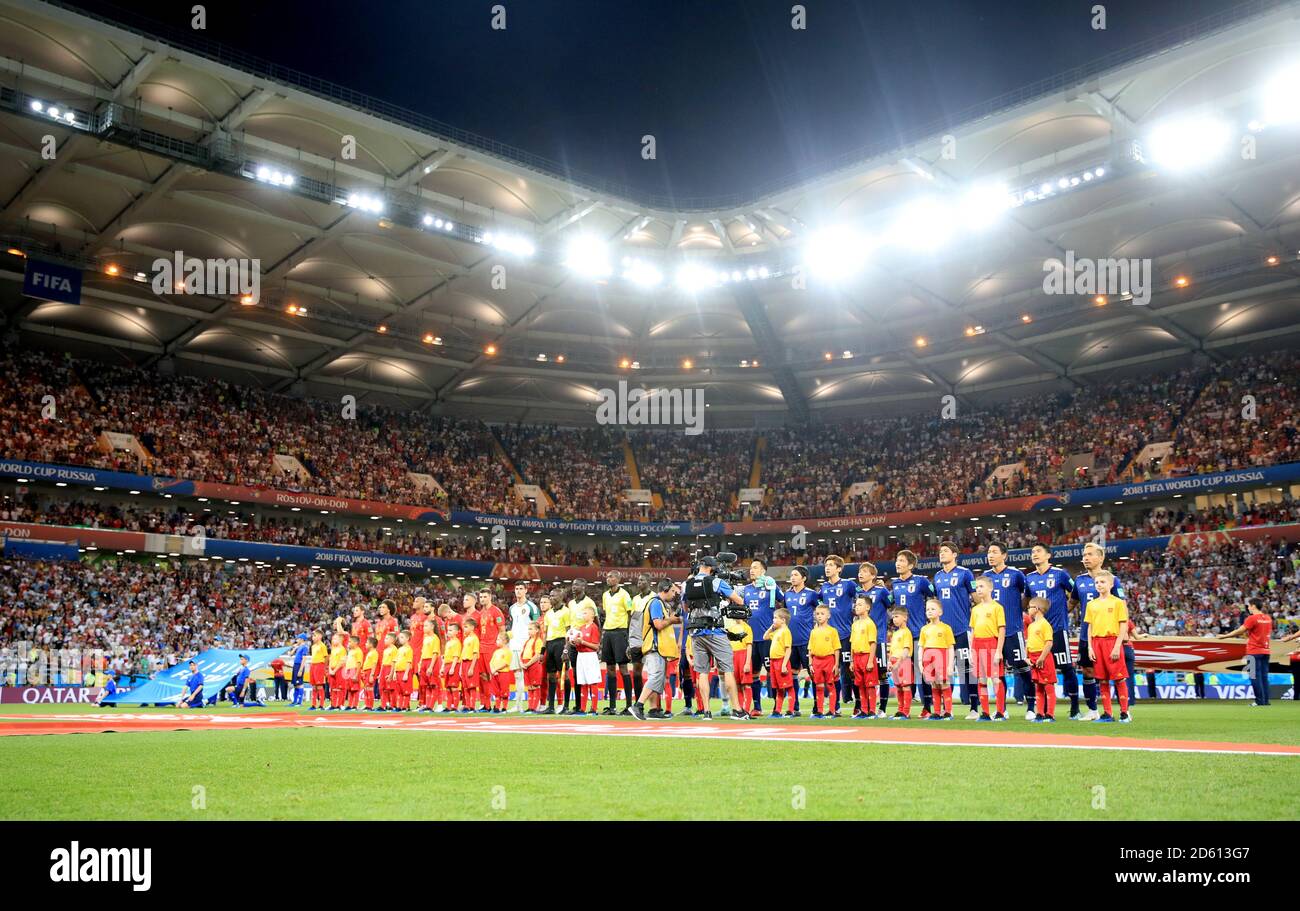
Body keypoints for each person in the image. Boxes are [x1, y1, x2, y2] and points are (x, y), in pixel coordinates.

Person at [682, 555, 752, 721]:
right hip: (715, 631)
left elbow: (685, 607)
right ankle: (737, 709)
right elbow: (739, 600)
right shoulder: (716, 582)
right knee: (727, 670)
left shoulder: (687, 584)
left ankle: (706, 712)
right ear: (712, 568)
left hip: (695, 633)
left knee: (702, 673)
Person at [1025, 544, 1081, 719]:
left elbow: (1076, 592)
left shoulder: (1060, 574)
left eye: (1038, 551)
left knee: (1066, 668)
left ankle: (1075, 708)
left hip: (1057, 630)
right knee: (1038, 670)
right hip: (1037, 635)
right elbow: (1027, 600)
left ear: (1048, 555)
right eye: (1033, 552)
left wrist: (1067, 609)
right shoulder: (1029, 578)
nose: (1035, 554)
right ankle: (1040, 710)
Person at [982, 541, 1035, 720]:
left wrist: (1017, 610)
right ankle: (1001, 708)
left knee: (1021, 666)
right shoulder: (985, 576)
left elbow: (1027, 594)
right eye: (989, 552)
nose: (990, 555)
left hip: (1012, 630)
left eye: (994, 552)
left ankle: (1031, 705)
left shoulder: (1016, 575)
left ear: (1004, 555)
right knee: (998, 671)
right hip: (992, 634)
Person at [1072, 542, 1122, 720]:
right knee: (1087, 671)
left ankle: (1122, 711)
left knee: (1112, 673)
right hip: (1087, 635)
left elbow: (1122, 607)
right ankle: (1092, 710)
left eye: (1090, 554)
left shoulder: (1113, 580)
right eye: (1084, 555)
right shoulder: (1079, 580)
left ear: (1101, 558)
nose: (1085, 558)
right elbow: (1072, 603)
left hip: (1108, 636)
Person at [933, 541, 979, 718]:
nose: (941, 553)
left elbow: (976, 599)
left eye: (945, 551)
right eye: (940, 551)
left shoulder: (965, 573)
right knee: (945, 671)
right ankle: (947, 709)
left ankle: (974, 708)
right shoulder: (937, 576)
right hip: (942, 633)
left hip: (962, 629)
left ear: (955, 555)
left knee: (967, 669)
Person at [890, 550, 937, 717]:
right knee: (903, 674)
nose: (898, 563)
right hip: (902, 637)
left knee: (922, 671)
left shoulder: (921, 581)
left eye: (902, 560)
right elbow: (889, 603)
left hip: (918, 634)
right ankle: (904, 709)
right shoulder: (894, 584)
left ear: (910, 565)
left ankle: (928, 707)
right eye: (897, 560)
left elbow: (934, 596)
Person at [630, 578, 682, 720]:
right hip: (655, 646)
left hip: (659, 646)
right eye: (671, 590)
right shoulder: (656, 603)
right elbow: (658, 624)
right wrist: (672, 620)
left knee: (657, 678)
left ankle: (653, 710)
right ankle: (638, 705)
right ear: (665, 590)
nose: (673, 593)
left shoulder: (660, 603)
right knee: (655, 676)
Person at [1082, 570, 1130, 723]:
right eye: (1096, 582)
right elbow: (1089, 627)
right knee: (1102, 680)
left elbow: (1123, 624)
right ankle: (1107, 713)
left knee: (1119, 679)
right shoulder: (1091, 604)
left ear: (1111, 584)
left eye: (1102, 582)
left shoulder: (1117, 602)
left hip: (1112, 641)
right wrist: (1090, 647)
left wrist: (1117, 646)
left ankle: (1124, 712)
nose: (1099, 585)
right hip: (1097, 643)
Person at [740, 560, 782, 716]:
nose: (752, 570)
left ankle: (778, 707)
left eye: (756, 568)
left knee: (774, 672)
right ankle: (757, 707)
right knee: (753, 674)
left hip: (768, 638)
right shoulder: (746, 589)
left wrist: (774, 586)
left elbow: (782, 600)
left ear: (764, 571)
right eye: (751, 568)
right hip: (751, 639)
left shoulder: (770, 586)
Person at [818, 555, 857, 716]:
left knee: (849, 670)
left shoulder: (848, 585)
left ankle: (859, 704)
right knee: (831, 672)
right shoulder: (823, 588)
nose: (827, 568)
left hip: (846, 634)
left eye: (831, 565)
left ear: (839, 569)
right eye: (826, 565)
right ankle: (836, 706)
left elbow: (863, 597)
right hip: (829, 637)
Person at [1222, 599, 1274, 707]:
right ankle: (1265, 701)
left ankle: (1259, 701)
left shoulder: (1252, 618)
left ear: (1254, 606)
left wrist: (1225, 636)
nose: (1248, 608)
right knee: (1264, 677)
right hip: (1266, 651)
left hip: (1253, 651)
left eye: (1249, 606)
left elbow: (1240, 631)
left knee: (1254, 676)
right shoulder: (1268, 618)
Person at [783, 565, 820, 716]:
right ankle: (793, 707)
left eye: (796, 575)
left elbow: (821, 612)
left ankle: (817, 707)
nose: (792, 577)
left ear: (804, 578)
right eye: (791, 575)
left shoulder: (812, 594)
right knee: (792, 675)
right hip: (790, 642)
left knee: (813, 674)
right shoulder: (787, 595)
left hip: (806, 641)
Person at [858, 562, 893, 717]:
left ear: (873, 575)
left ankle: (882, 708)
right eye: (860, 571)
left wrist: (884, 588)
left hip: (878, 638)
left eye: (865, 571)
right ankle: (864, 708)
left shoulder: (881, 591)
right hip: (861, 641)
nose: (861, 574)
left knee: (882, 673)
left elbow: (891, 604)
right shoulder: (858, 593)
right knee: (862, 676)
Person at [969, 576, 1006, 721]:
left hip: (991, 643)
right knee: (982, 679)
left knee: (996, 679)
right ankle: (985, 712)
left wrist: (999, 650)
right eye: (977, 587)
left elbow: (1001, 629)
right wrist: (972, 651)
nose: (978, 589)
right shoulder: (975, 609)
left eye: (981, 586)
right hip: (978, 644)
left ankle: (1000, 712)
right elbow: (972, 631)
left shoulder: (997, 607)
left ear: (990, 588)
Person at [600, 570, 635, 714]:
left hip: (621, 632)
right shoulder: (605, 595)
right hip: (608, 632)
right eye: (607, 576)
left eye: (611, 576)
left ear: (618, 579)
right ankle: (612, 706)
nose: (608, 578)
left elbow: (630, 614)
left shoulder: (625, 595)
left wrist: (628, 634)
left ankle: (628, 706)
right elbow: (606, 613)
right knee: (609, 669)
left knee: (623, 668)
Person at [918, 599, 955, 720]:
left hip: (941, 656)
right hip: (928, 658)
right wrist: (920, 663)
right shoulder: (924, 629)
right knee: (934, 684)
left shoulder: (946, 628)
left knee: (943, 682)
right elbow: (921, 647)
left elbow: (950, 647)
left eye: (932, 609)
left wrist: (950, 665)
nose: (929, 611)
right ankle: (937, 712)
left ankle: (948, 711)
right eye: (927, 609)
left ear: (940, 612)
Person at [1025, 596, 1056, 722]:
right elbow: (1029, 643)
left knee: (1048, 687)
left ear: (1037, 609)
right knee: (1038, 687)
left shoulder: (1045, 625)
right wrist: (1027, 657)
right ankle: (1040, 714)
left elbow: (1049, 643)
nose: (1027, 609)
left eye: (1030, 607)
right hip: (1033, 657)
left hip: (1043, 657)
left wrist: (1042, 657)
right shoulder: (1031, 626)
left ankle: (1050, 714)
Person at [807, 606, 841, 718]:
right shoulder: (813, 632)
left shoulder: (832, 631)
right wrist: (810, 663)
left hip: (829, 660)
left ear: (828, 616)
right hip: (817, 661)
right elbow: (810, 649)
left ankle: (832, 710)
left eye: (822, 613)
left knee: (831, 685)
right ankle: (820, 711)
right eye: (817, 614)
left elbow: (836, 648)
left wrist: (836, 664)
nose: (819, 616)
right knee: (819, 686)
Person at [508, 582, 538, 711]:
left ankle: (535, 704)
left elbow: (537, 625)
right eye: (516, 589)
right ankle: (518, 705)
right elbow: (513, 625)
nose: (518, 591)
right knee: (517, 675)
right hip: (514, 644)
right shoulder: (512, 608)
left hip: (527, 644)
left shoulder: (532, 607)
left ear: (526, 590)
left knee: (531, 676)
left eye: (521, 589)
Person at [849, 595, 879, 719]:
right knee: (860, 685)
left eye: (860, 604)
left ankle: (872, 710)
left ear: (867, 607)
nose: (857, 606)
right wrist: (851, 661)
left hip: (866, 656)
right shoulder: (855, 624)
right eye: (856, 604)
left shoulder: (870, 624)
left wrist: (871, 660)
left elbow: (873, 643)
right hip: (856, 657)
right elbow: (852, 643)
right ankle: (864, 710)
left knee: (870, 685)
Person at [764, 607, 795, 717]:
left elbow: (788, 649)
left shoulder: (786, 632)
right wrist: (772, 627)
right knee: (778, 688)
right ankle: (777, 710)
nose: (773, 620)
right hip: (773, 662)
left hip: (781, 661)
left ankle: (790, 710)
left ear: (783, 620)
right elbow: (765, 636)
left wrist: (784, 664)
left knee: (789, 686)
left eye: (775, 618)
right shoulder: (777, 631)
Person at [573, 605, 603, 714]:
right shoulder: (581, 628)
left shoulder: (594, 627)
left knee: (593, 682)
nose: (583, 615)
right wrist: (574, 642)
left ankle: (594, 708)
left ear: (592, 615)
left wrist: (583, 642)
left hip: (590, 656)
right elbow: (579, 644)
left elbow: (596, 647)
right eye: (583, 613)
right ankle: (582, 708)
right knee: (583, 682)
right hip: (580, 656)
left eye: (585, 613)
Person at [541, 594, 568, 714]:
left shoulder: (566, 611)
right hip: (550, 644)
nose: (552, 597)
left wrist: (566, 649)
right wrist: (542, 650)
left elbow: (569, 631)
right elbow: (545, 634)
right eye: (550, 595)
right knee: (550, 676)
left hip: (561, 642)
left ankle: (565, 706)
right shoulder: (549, 613)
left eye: (554, 595)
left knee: (564, 675)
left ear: (560, 597)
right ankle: (551, 706)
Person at [887, 609, 914, 719]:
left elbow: (906, 649)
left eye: (897, 616)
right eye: (893, 617)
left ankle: (906, 712)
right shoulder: (895, 633)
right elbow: (893, 650)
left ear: (905, 618)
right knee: (898, 687)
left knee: (906, 686)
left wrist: (898, 662)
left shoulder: (906, 632)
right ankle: (900, 710)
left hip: (903, 662)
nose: (894, 619)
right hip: (894, 662)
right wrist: (889, 661)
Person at [520, 620, 547, 713]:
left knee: (535, 686)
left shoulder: (538, 641)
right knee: (530, 687)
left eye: (531, 629)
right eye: (528, 629)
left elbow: (537, 655)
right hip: (526, 665)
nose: (529, 631)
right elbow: (523, 653)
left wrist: (527, 664)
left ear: (537, 630)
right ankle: (530, 706)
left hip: (533, 665)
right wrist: (522, 663)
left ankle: (535, 707)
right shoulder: (528, 640)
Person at [460, 619, 482, 712]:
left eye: (466, 627)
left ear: (472, 627)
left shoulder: (474, 639)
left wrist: (472, 667)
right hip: (464, 663)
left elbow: (475, 654)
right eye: (464, 627)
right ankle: (467, 705)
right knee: (465, 686)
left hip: (470, 663)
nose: (464, 629)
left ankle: (472, 706)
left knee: (471, 686)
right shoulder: (466, 639)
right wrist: (461, 667)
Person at [441, 622, 462, 712]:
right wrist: (442, 667)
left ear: (457, 632)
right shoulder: (448, 643)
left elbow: (456, 656)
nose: (448, 632)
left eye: (450, 630)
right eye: (448, 630)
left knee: (454, 687)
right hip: (447, 665)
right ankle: (449, 706)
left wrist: (453, 668)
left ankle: (455, 706)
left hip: (454, 665)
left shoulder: (457, 643)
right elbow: (445, 657)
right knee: (448, 687)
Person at [308, 629, 328, 711]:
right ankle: (313, 704)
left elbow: (326, 657)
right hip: (313, 665)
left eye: (315, 635)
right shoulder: (313, 646)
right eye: (313, 636)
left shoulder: (322, 646)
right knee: (314, 686)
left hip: (319, 665)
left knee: (319, 685)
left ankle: (321, 705)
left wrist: (325, 667)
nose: (313, 637)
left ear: (320, 636)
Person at [289, 633, 309, 706]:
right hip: (295, 665)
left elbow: (304, 659)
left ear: (302, 639)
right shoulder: (299, 647)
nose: (297, 640)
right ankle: (294, 701)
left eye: (298, 638)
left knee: (299, 684)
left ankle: (299, 702)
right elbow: (290, 654)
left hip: (299, 666)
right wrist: (295, 647)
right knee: (295, 684)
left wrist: (301, 669)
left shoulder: (305, 647)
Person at [360, 636, 379, 711]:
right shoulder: (370, 653)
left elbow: (374, 664)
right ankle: (366, 704)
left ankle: (370, 706)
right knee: (366, 689)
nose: (365, 644)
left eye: (367, 642)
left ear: (371, 644)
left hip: (370, 672)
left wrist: (372, 674)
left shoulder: (374, 653)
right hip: (366, 672)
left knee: (369, 689)